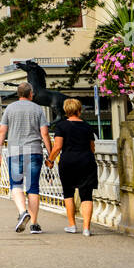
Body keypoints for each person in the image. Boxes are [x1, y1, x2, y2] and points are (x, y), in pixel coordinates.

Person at [0, 82, 53, 234]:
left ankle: (23, 212)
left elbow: (2, 132)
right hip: (34, 150)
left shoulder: (10, 108)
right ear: (31, 94)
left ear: (18, 93)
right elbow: (45, 133)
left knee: (16, 185)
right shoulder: (37, 109)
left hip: (15, 151)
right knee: (33, 187)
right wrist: (51, 154)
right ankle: (34, 224)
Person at [48, 98, 98, 236]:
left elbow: (57, 147)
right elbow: (92, 147)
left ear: (66, 110)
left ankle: (72, 225)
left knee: (68, 193)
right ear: (79, 110)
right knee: (86, 195)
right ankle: (87, 228)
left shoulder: (61, 126)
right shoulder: (88, 126)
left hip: (68, 161)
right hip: (86, 161)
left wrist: (50, 160)